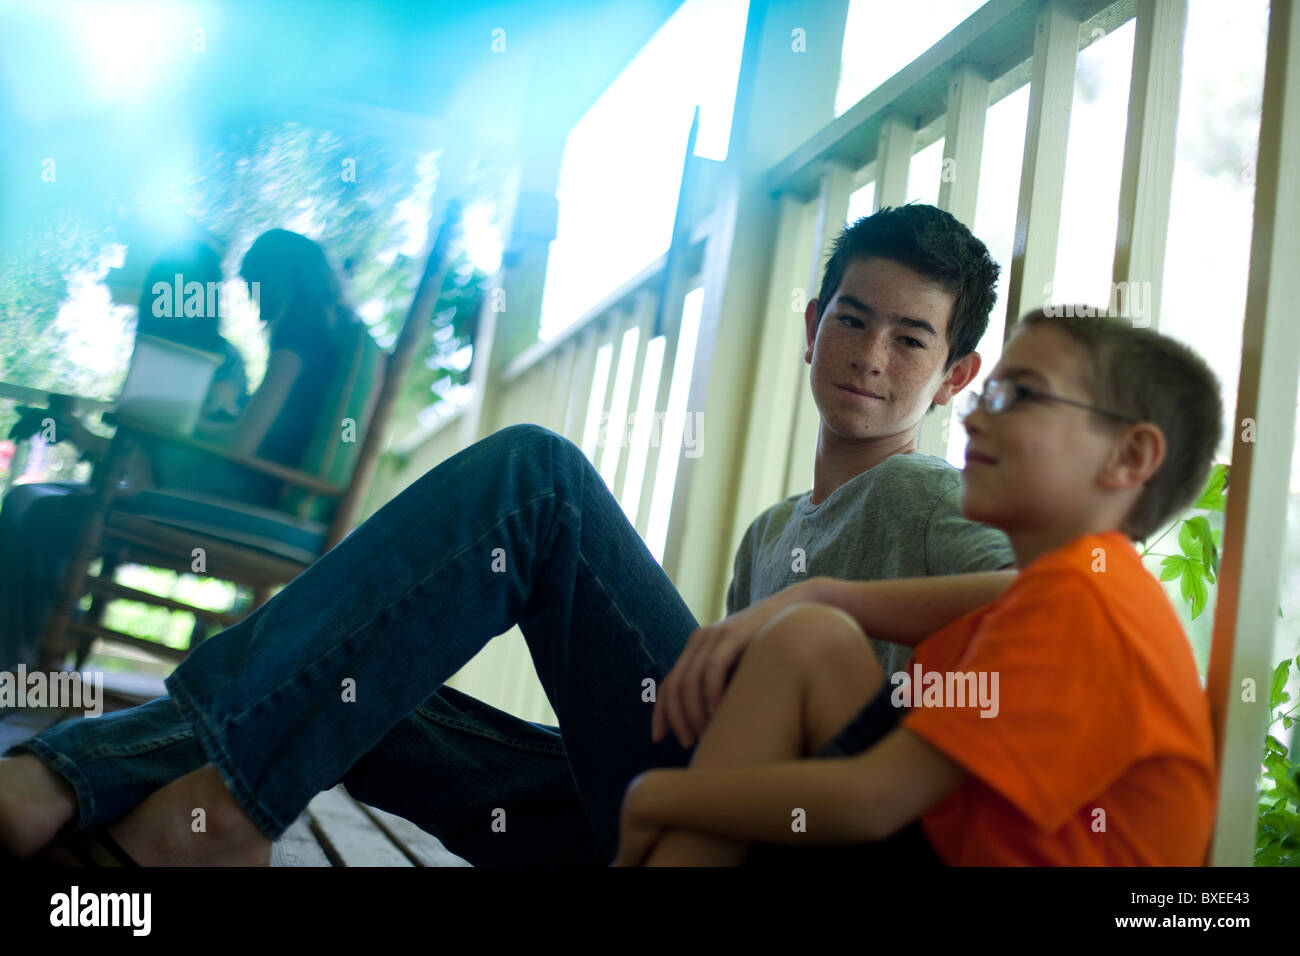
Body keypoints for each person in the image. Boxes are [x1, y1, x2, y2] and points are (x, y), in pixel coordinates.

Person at [0, 204, 1018, 868]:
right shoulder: (770, 532)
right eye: (850, 316)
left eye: (910, 335)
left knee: (538, 482)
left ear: (955, 374)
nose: (869, 353)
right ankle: (162, 820)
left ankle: (89, 775)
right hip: (676, 818)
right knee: (369, 689)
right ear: (809, 325)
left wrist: (827, 600)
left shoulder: (931, 497)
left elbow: (1043, 601)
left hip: (810, 829)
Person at [611, 308, 1221, 866]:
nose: (976, 418)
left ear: (1129, 455)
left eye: (1020, 396)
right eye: (987, 396)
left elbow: (874, 800)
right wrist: (820, 595)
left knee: (801, 643)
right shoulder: (1071, 590)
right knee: (809, 638)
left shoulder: (1086, 601)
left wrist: (656, 796)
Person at [0, 231, 362, 671]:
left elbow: (245, 442)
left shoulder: (295, 340)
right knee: (40, 508)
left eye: (253, 284)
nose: (250, 299)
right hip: (257, 486)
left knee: (42, 514)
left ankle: (24, 665)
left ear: (280, 278)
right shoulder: (327, 336)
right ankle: (26, 661)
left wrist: (188, 425)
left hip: (244, 490)